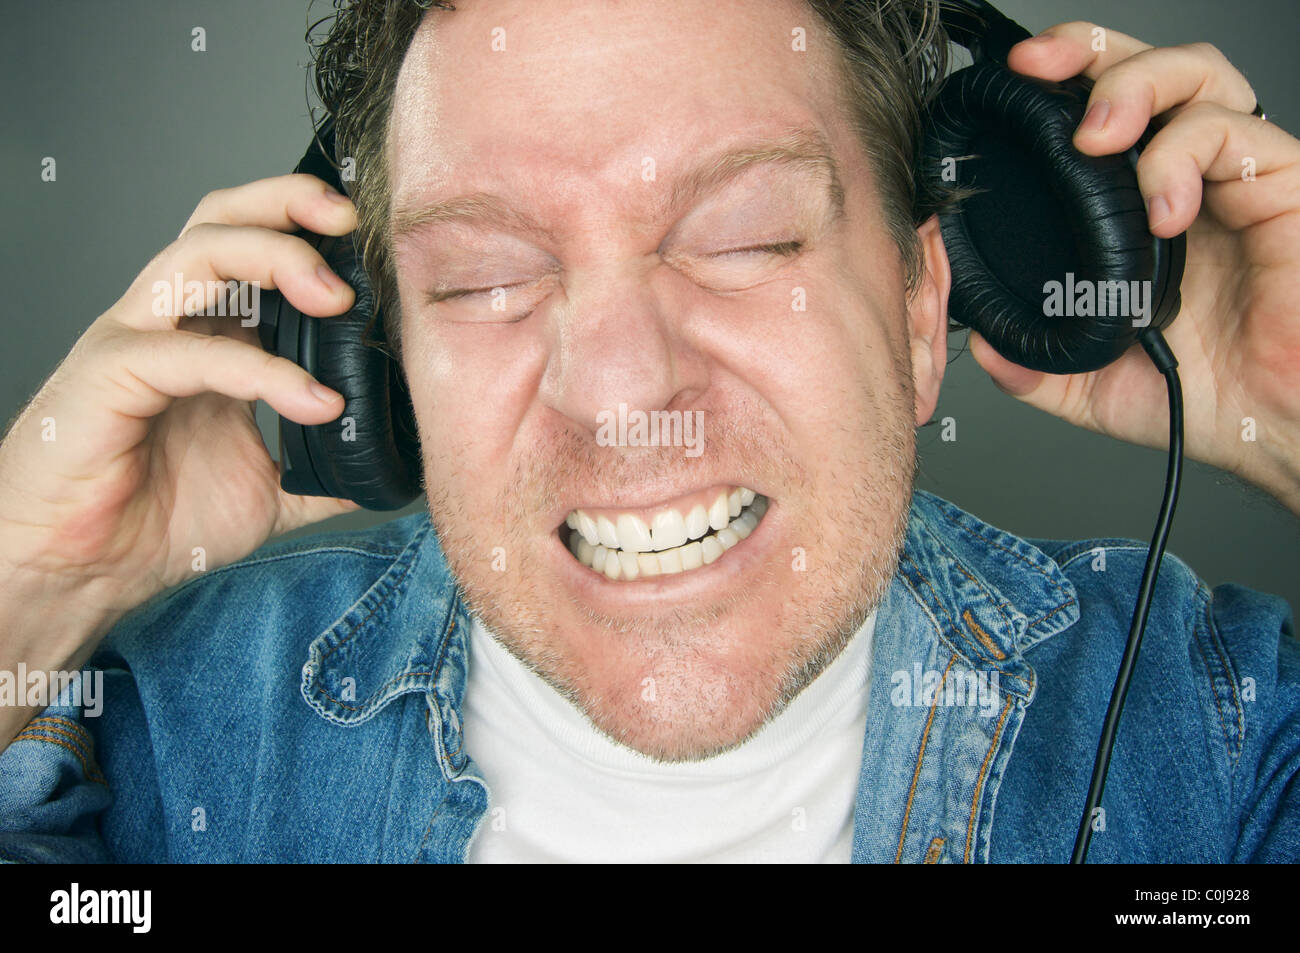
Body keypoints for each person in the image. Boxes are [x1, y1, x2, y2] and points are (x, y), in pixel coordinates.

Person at [0, 0, 1296, 863]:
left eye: (743, 239)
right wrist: (27, 585)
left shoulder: (1216, 729)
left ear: (919, 310)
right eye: (487, 274)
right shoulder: (165, 743)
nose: (618, 384)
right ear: (370, 365)